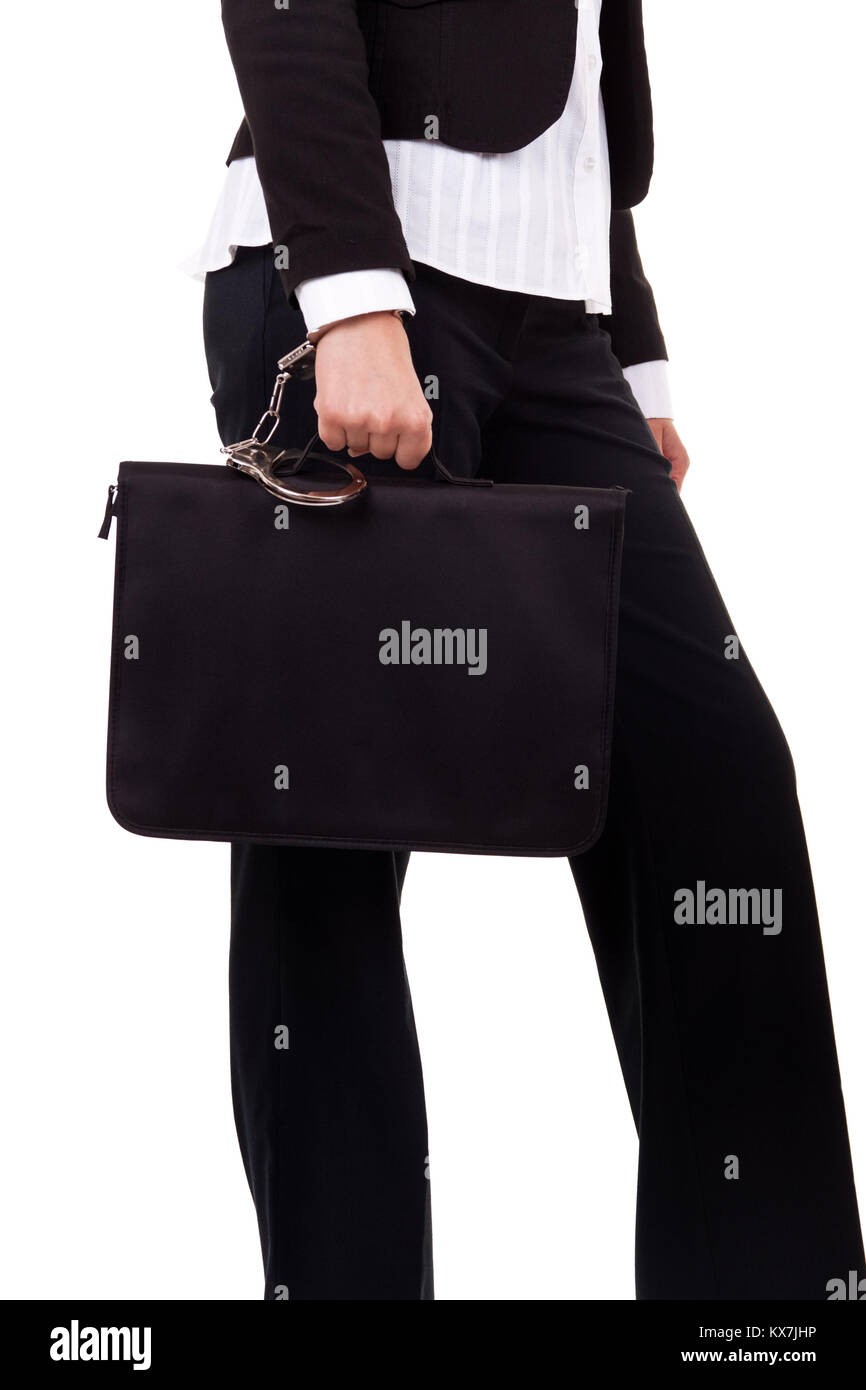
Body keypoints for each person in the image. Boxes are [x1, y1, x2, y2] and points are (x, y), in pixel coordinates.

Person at [184, 0, 863, 1299]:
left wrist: (633, 350)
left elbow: (580, 69)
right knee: (326, 838)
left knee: (715, 788)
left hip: (554, 322)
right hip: (358, 269)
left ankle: (764, 1316)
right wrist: (346, 289)